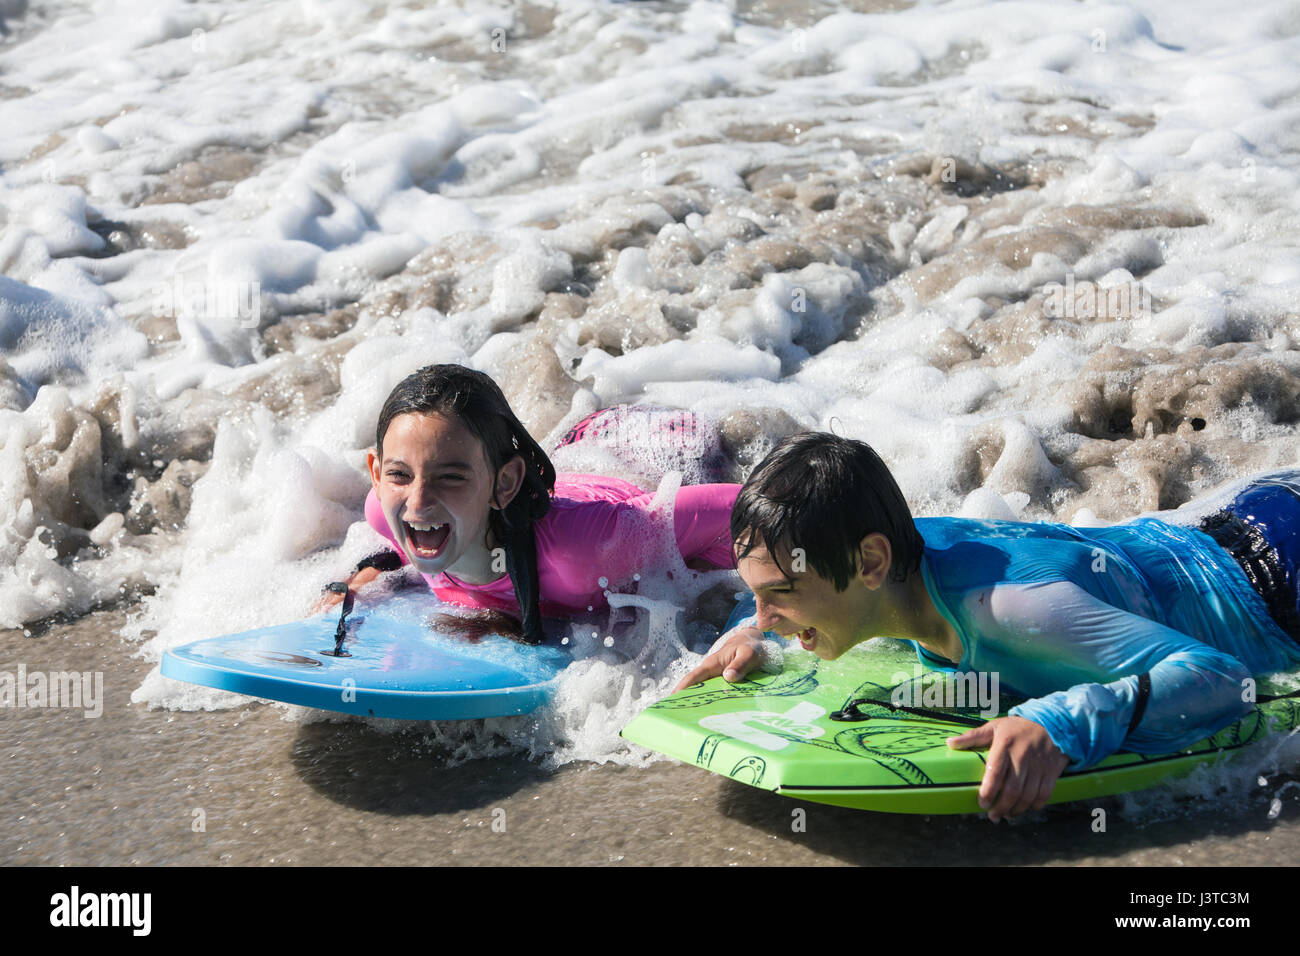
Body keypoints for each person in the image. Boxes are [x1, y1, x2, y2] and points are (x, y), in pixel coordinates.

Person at [677, 431, 1300, 822]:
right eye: (754, 596)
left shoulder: (1009, 610)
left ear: (870, 562)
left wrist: (1059, 724)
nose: (764, 613)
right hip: (1216, 527)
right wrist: (747, 635)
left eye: (780, 596)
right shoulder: (902, 564)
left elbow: (1223, 680)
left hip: (1280, 581)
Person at [315, 364, 740, 643]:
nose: (418, 502)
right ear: (376, 472)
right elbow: (404, 537)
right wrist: (360, 579)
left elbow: (754, 509)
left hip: (650, 443)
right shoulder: (386, 511)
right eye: (399, 474)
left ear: (505, 483)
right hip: (569, 462)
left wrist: (759, 618)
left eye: (450, 477)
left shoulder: (583, 555)